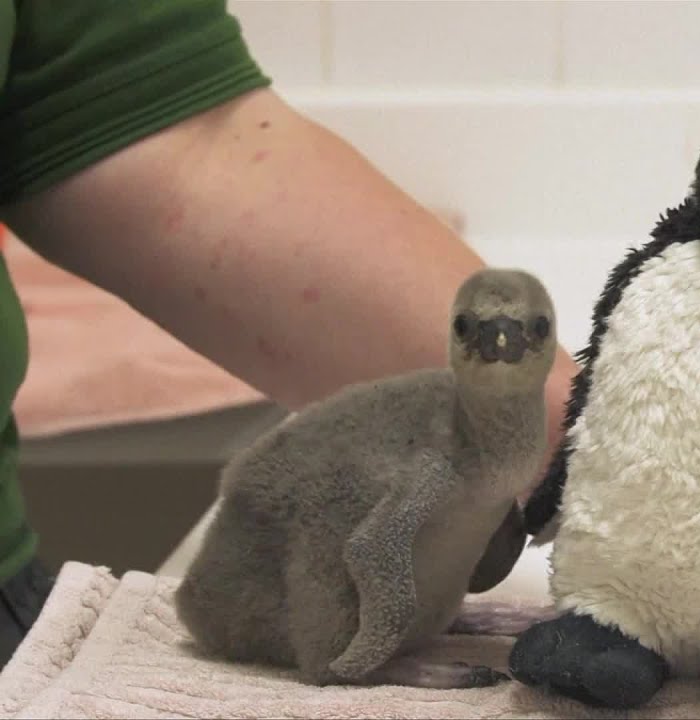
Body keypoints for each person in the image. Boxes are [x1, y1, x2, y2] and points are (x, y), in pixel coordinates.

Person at [0, 1, 578, 666]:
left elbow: (164, 129)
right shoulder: (434, 462)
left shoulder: (486, 446)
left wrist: (602, 442)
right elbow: (368, 542)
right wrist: (367, 649)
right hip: (284, 601)